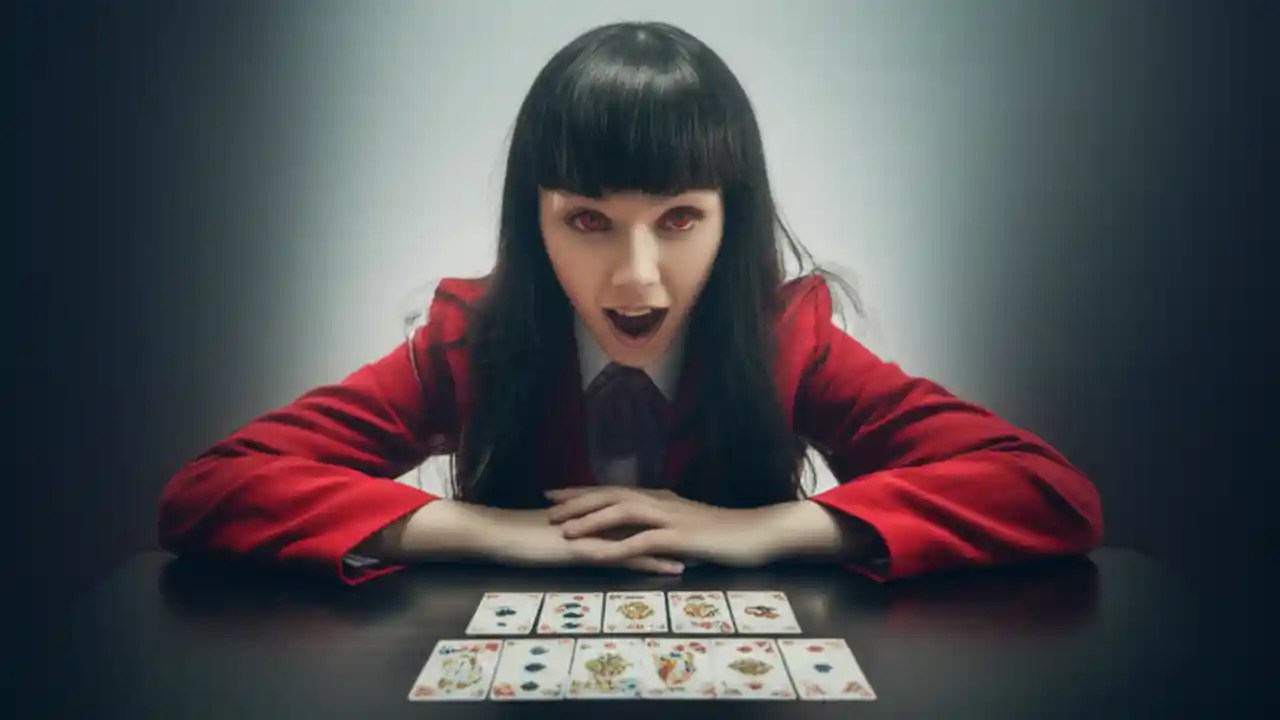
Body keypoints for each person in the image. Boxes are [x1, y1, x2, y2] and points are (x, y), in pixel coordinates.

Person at [157, 21, 1102, 586]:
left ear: (735, 221)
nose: (637, 279)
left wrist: (760, 529)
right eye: (589, 221)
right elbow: (210, 492)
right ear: (535, 223)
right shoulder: (468, 342)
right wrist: (500, 534)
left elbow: (1050, 494)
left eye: (681, 219)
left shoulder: (790, 340)